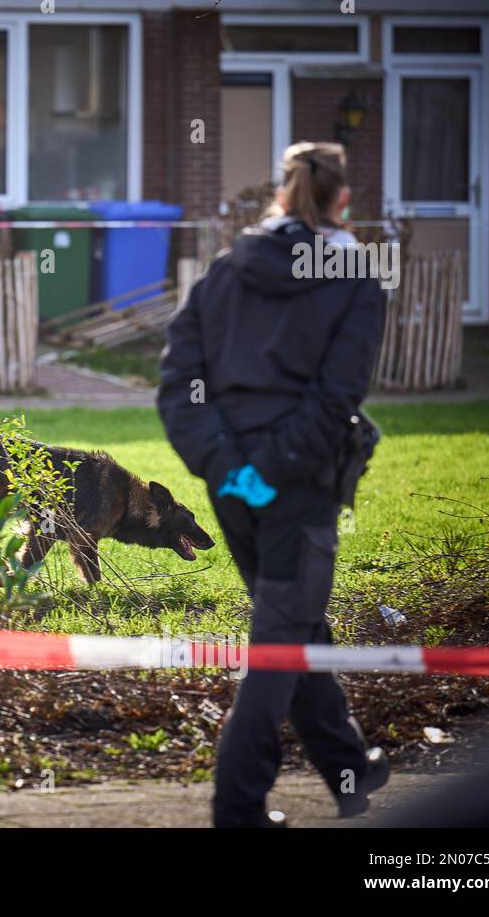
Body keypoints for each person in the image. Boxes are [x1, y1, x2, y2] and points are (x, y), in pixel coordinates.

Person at [157, 141, 389, 827]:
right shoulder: (356, 278)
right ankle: (238, 807)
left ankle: (348, 772)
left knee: (295, 622)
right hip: (296, 487)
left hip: (235, 490)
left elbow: (177, 389)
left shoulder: (223, 273)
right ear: (341, 200)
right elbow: (336, 396)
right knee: (281, 639)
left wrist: (231, 467)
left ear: (282, 196)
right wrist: (272, 469)